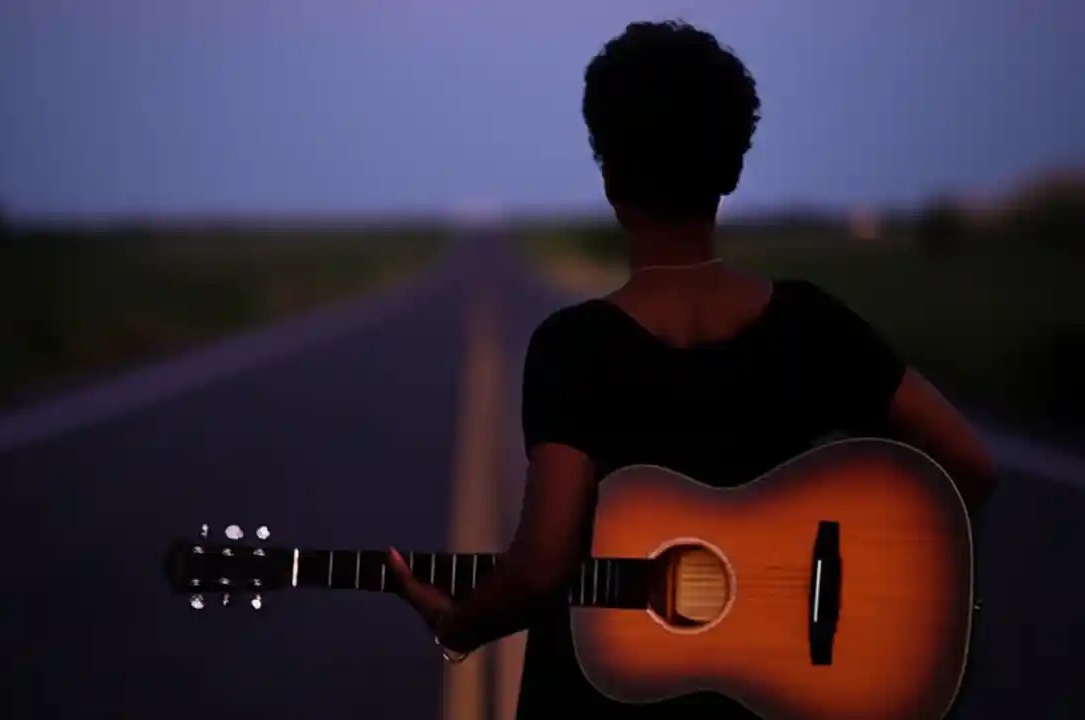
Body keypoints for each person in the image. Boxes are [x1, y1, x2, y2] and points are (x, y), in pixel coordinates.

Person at [386, 19, 998, 718]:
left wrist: (459, 624)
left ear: (609, 174)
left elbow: (541, 567)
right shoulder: (811, 322)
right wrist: (899, 593)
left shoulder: (574, 346)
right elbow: (970, 464)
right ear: (732, 171)